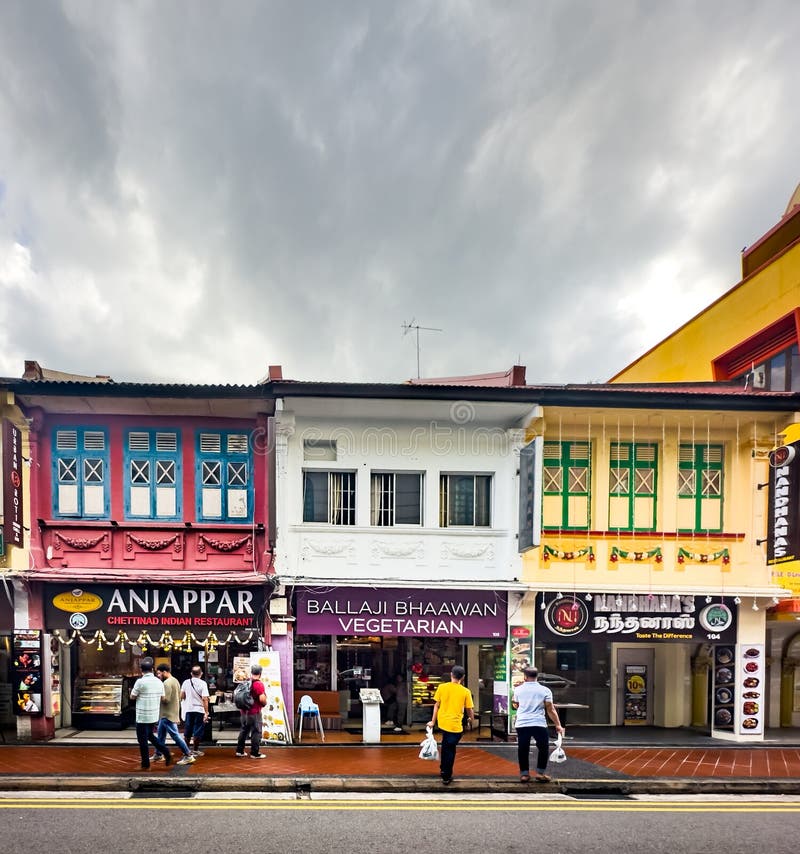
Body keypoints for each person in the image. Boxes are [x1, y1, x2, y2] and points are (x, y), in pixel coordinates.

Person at [511, 666, 565, 783]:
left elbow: (515, 704)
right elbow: (550, 709)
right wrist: (558, 725)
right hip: (539, 723)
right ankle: (540, 773)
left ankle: (524, 774)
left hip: (522, 723)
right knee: (543, 748)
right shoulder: (545, 690)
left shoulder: (518, 690)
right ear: (537, 676)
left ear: (525, 676)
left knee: (523, 748)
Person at [428, 665, 474, 785]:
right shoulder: (465, 691)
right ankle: (446, 774)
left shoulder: (442, 687)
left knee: (446, 746)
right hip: (455, 725)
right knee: (450, 749)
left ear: (451, 675)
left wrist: (433, 721)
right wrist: (471, 719)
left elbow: (436, 705)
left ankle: (444, 769)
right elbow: (469, 709)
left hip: (443, 722)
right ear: (463, 677)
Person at [130, 657, 172, 770]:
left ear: (141, 670)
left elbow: (132, 697)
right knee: (150, 736)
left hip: (142, 716)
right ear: (152, 669)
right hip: (153, 714)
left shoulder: (140, 682)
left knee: (142, 740)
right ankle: (166, 752)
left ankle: (145, 765)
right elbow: (163, 697)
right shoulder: (159, 682)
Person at [152, 663, 195, 765]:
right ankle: (158, 754)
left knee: (175, 736)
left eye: (159, 673)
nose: (158, 676)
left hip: (167, 714)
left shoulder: (167, 683)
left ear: (164, 672)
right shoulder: (175, 681)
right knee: (161, 735)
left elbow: (166, 699)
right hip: (170, 713)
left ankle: (188, 755)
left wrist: (157, 695)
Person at [235, 664, 267, 759]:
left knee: (244, 731)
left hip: (244, 712)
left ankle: (239, 751)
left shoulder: (246, 682)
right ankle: (254, 753)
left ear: (251, 672)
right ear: (260, 673)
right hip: (254, 712)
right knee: (256, 732)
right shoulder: (258, 684)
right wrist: (265, 703)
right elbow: (262, 699)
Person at [180, 665, 210, 757]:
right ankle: (195, 750)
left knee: (188, 730)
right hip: (199, 710)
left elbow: (182, 696)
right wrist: (206, 712)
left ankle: (186, 750)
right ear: (201, 674)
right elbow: (205, 698)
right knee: (197, 730)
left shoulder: (186, 682)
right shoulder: (203, 683)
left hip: (189, 709)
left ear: (191, 674)